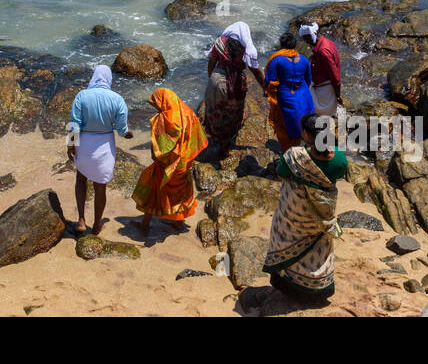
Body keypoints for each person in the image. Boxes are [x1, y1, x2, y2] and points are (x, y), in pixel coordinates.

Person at [262, 113, 346, 304]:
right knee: (319, 248)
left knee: (284, 235)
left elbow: (281, 172)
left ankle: (289, 286)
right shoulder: (339, 158)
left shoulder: (295, 156)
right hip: (322, 214)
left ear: (307, 135)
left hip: (295, 212)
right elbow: (338, 174)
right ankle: (318, 288)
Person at [132, 88, 208, 236]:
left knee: (153, 191)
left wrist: (155, 156)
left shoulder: (165, 119)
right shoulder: (187, 111)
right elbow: (197, 136)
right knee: (181, 192)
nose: (156, 108)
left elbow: (161, 148)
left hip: (167, 165)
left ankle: (145, 224)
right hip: (185, 161)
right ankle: (179, 223)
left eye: (156, 104)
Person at [68, 65, 133, 234]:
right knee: (100, 187)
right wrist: (128, 134)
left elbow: (74, 124)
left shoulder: (82, 96)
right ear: (109, 79)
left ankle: (81, 220)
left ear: (94, 77)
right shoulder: (117, 99)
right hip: (105, 146)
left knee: (81, 179)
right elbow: (121, 129)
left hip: (84, 143)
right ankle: (96, 225)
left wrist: (70, 145)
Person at [201, 21, 263, 157]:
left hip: (216, 80)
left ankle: (216, 142)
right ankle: (225, 146)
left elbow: (211, 63)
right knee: (232, 114)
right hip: (234, 84)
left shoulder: (220, 42)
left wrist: (212, 80)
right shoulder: (246, 49)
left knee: (214, 111)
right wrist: (266, 88)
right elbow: (255, 71)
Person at [263, 42, 315, 152]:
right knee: (307, 127)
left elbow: (269, 81)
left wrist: (269, 92)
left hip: (287, 99)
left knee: (285, 130)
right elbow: (308, 80)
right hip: (305, 99)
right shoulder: (304, 59)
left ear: (282, 46)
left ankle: (290, 155)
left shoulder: (277, 60)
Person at [297, 22, 341, 118]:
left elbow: (335, 76)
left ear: (315, 33)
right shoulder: (327, 42)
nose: (306, 41)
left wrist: (338, 96)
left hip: (325, 89)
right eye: (304, 38)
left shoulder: (323, 51)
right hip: (323, 86)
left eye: (308, 37)